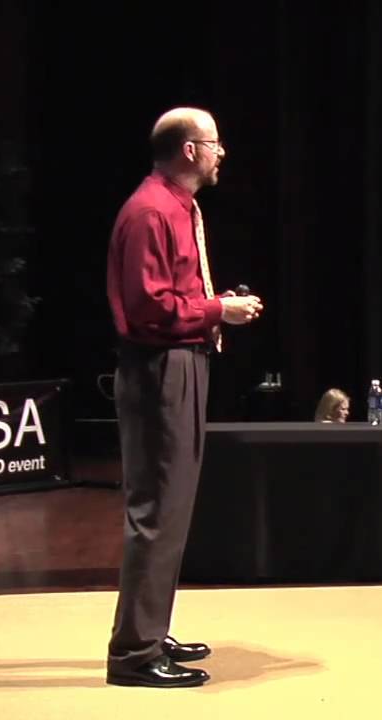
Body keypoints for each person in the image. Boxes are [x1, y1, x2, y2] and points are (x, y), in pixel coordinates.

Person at [104, 106, 263, 688]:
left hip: (182, 362)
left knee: (172, 509)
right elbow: (149, 311)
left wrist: (213, 306)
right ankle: (135, 656)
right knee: (156, 511)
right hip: (158, 367)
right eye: (216, 143)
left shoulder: (179, 207)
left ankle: (151, 629)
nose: (223, 153)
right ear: (190, 150)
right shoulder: (151, 211)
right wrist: (219, 309)